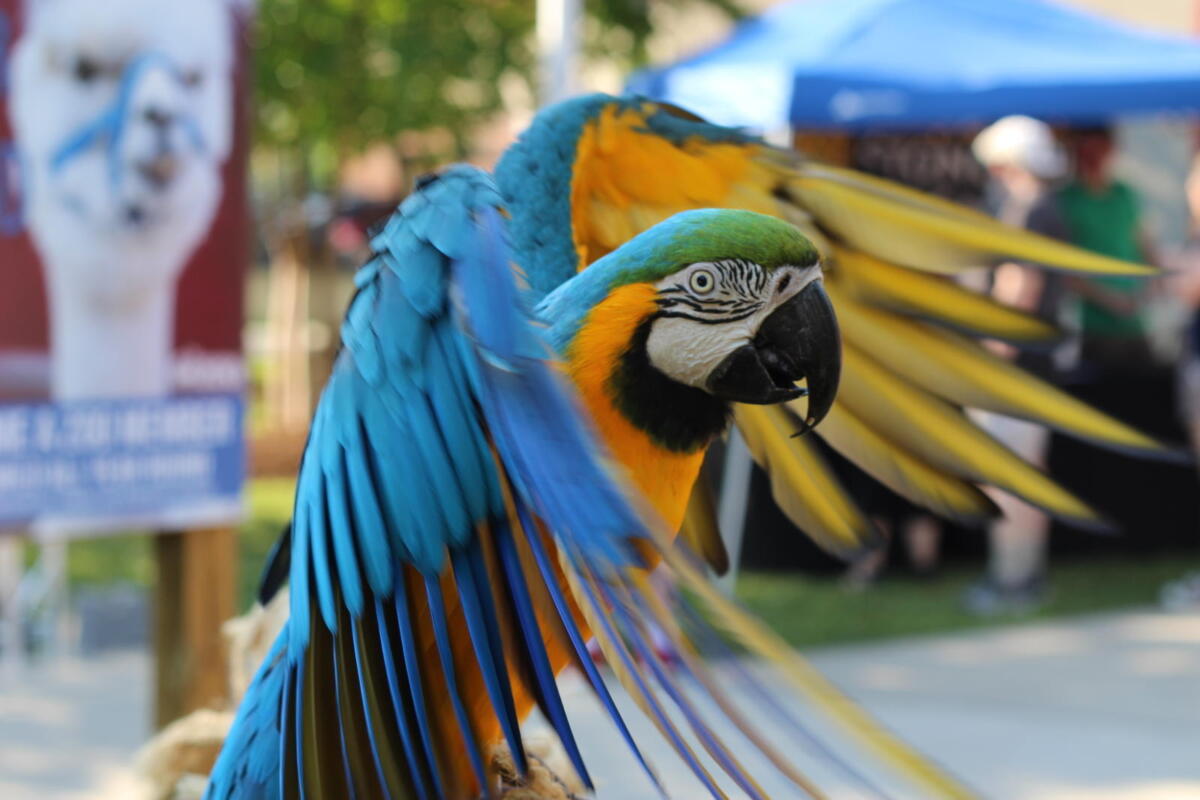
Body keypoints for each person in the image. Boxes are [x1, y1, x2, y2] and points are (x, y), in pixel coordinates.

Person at [963, 115, 1069, 614]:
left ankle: (1013, 580)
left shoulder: (1029, 210)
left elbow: (1018, 291)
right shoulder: (1046, 209)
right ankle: (1023, 575)